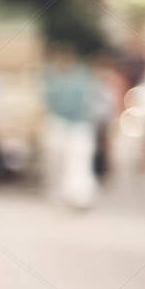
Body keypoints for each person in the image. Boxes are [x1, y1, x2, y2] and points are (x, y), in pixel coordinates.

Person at [40, 43, 98, 209]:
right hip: (59, 124)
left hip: (78, 125)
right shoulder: (50, 78)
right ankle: (59, 193)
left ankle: (79, 195)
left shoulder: (81, 77)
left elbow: (86, 102)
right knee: (57, 161)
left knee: (78, 162)